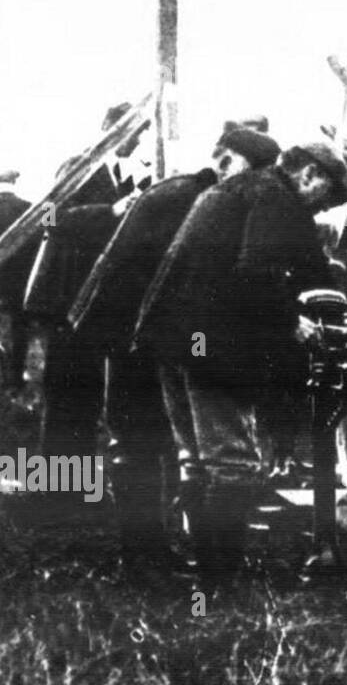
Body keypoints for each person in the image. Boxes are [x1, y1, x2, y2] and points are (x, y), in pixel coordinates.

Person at [69, 127, 281, 566]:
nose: (258, 186)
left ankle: (153, 550)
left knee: (150, 436)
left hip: (142, 327)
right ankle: (144, 553)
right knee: (137, 435)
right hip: (131, 328)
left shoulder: (192, 192)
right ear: (225, 162)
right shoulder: (192, 198)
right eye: (253, 172)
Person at [134, 142, 347, 573]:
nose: (320, 210)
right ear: (309, 175)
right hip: (207, 341)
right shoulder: (276, 199)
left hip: (171, 336)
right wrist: (293, 321)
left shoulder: (244, 189)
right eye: (324, 198)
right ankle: (222, 577)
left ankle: (202, 567)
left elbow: (301, 263)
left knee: (197, 458)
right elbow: (257, 273)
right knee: (234, 464)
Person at [28, 103, 148, 462]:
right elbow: (48, 218)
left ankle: (81, 484)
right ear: (110, 128)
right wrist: (108, 212)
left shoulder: (130, 178)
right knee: (66, 393)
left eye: (141, 135)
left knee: (91, 394)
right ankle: (59, 487)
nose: (137, 142)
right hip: (68, 299)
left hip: (102, 303)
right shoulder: (77, 168)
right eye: (133, 133)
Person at [0, 169, 34, 391]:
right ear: (15, 183)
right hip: (19, 277)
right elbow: (48, 233)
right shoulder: (30, 207)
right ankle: (15, 379)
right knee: (19, 326)